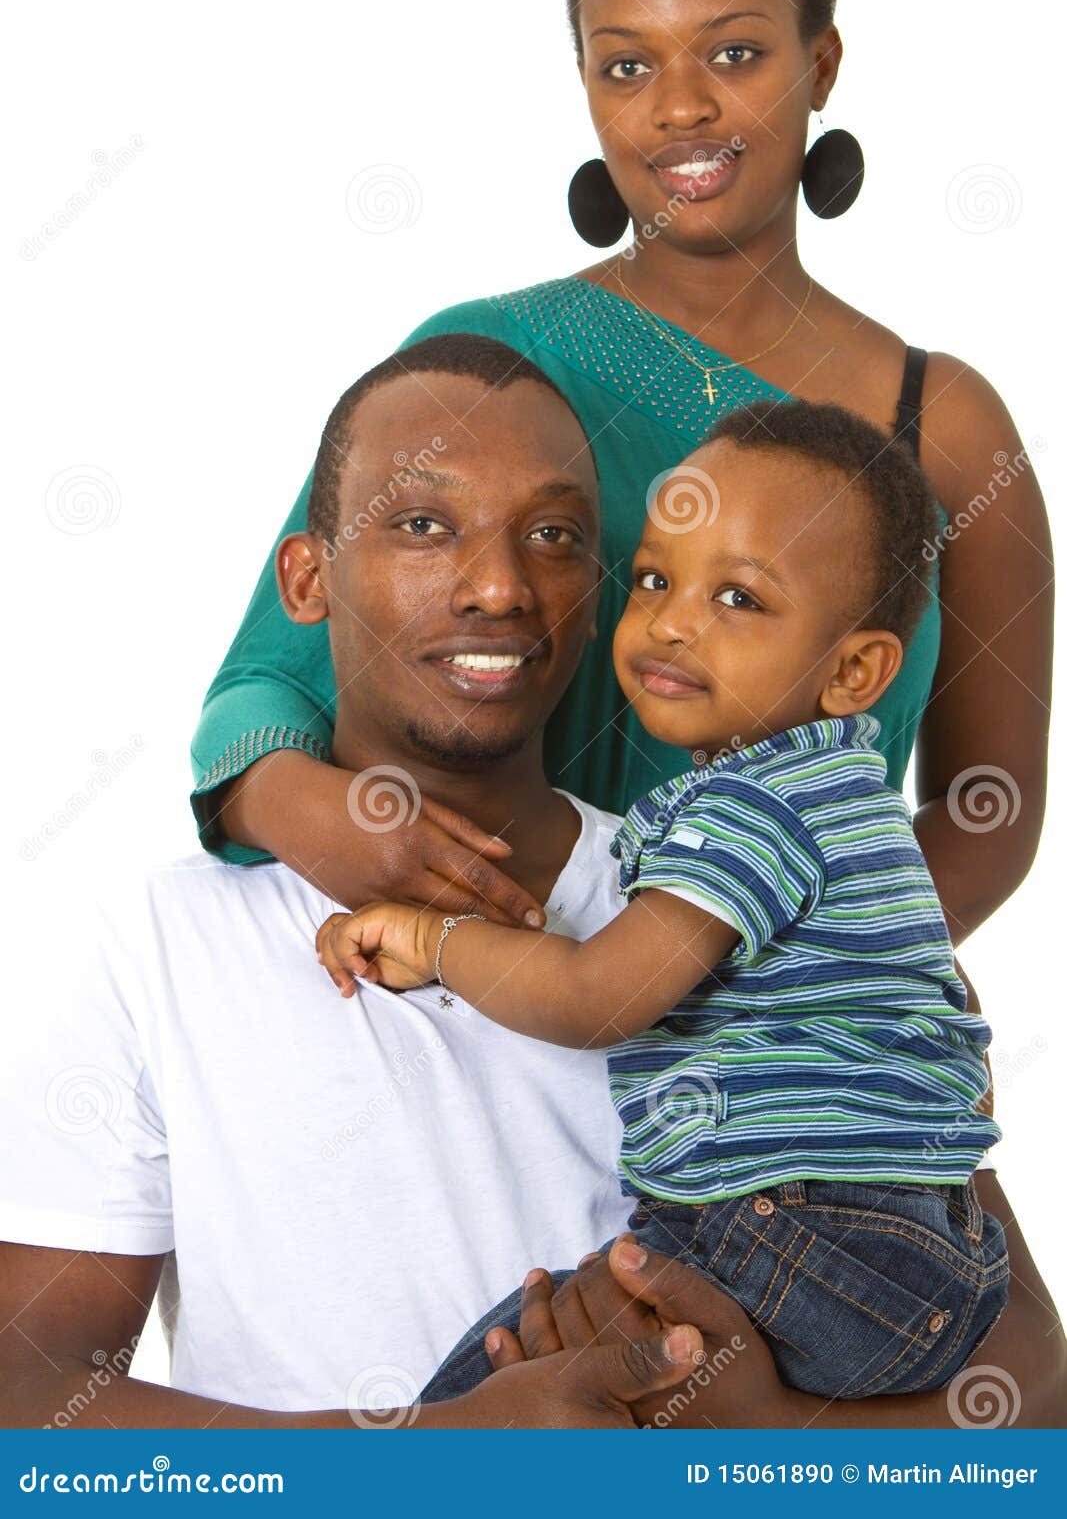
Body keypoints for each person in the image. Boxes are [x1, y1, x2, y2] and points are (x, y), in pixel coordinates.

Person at [3, 341, 1061, 1427]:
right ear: (309, 580)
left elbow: (1033, 1394)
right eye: (424, 523)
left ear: (591, 593)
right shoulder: (153, 942)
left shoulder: (754, 906)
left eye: (553, 537)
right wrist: (443, 1451)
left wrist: (772, 1440)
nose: (500, 587)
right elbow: (24, 1406)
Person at [190, 0, 1050, 988]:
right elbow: (262, 690)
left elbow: (989, 811)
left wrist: (777, 986)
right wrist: (315, 812)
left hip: (781, 1067)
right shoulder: (486, 358)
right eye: (627, 65)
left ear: (820, 65)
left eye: (733, 54)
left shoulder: (941, 424)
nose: (679, 107)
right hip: (474, 995)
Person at [315, 399, 1008, 1402]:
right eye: (652, 579)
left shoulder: (759, 802)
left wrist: (432, 937)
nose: (672, 621)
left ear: (855, 669)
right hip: (942, 1259)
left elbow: (596, 997)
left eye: (738, 598)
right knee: (586, 1372)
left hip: (808, 1232)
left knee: (487, 1389)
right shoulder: (846, 799)